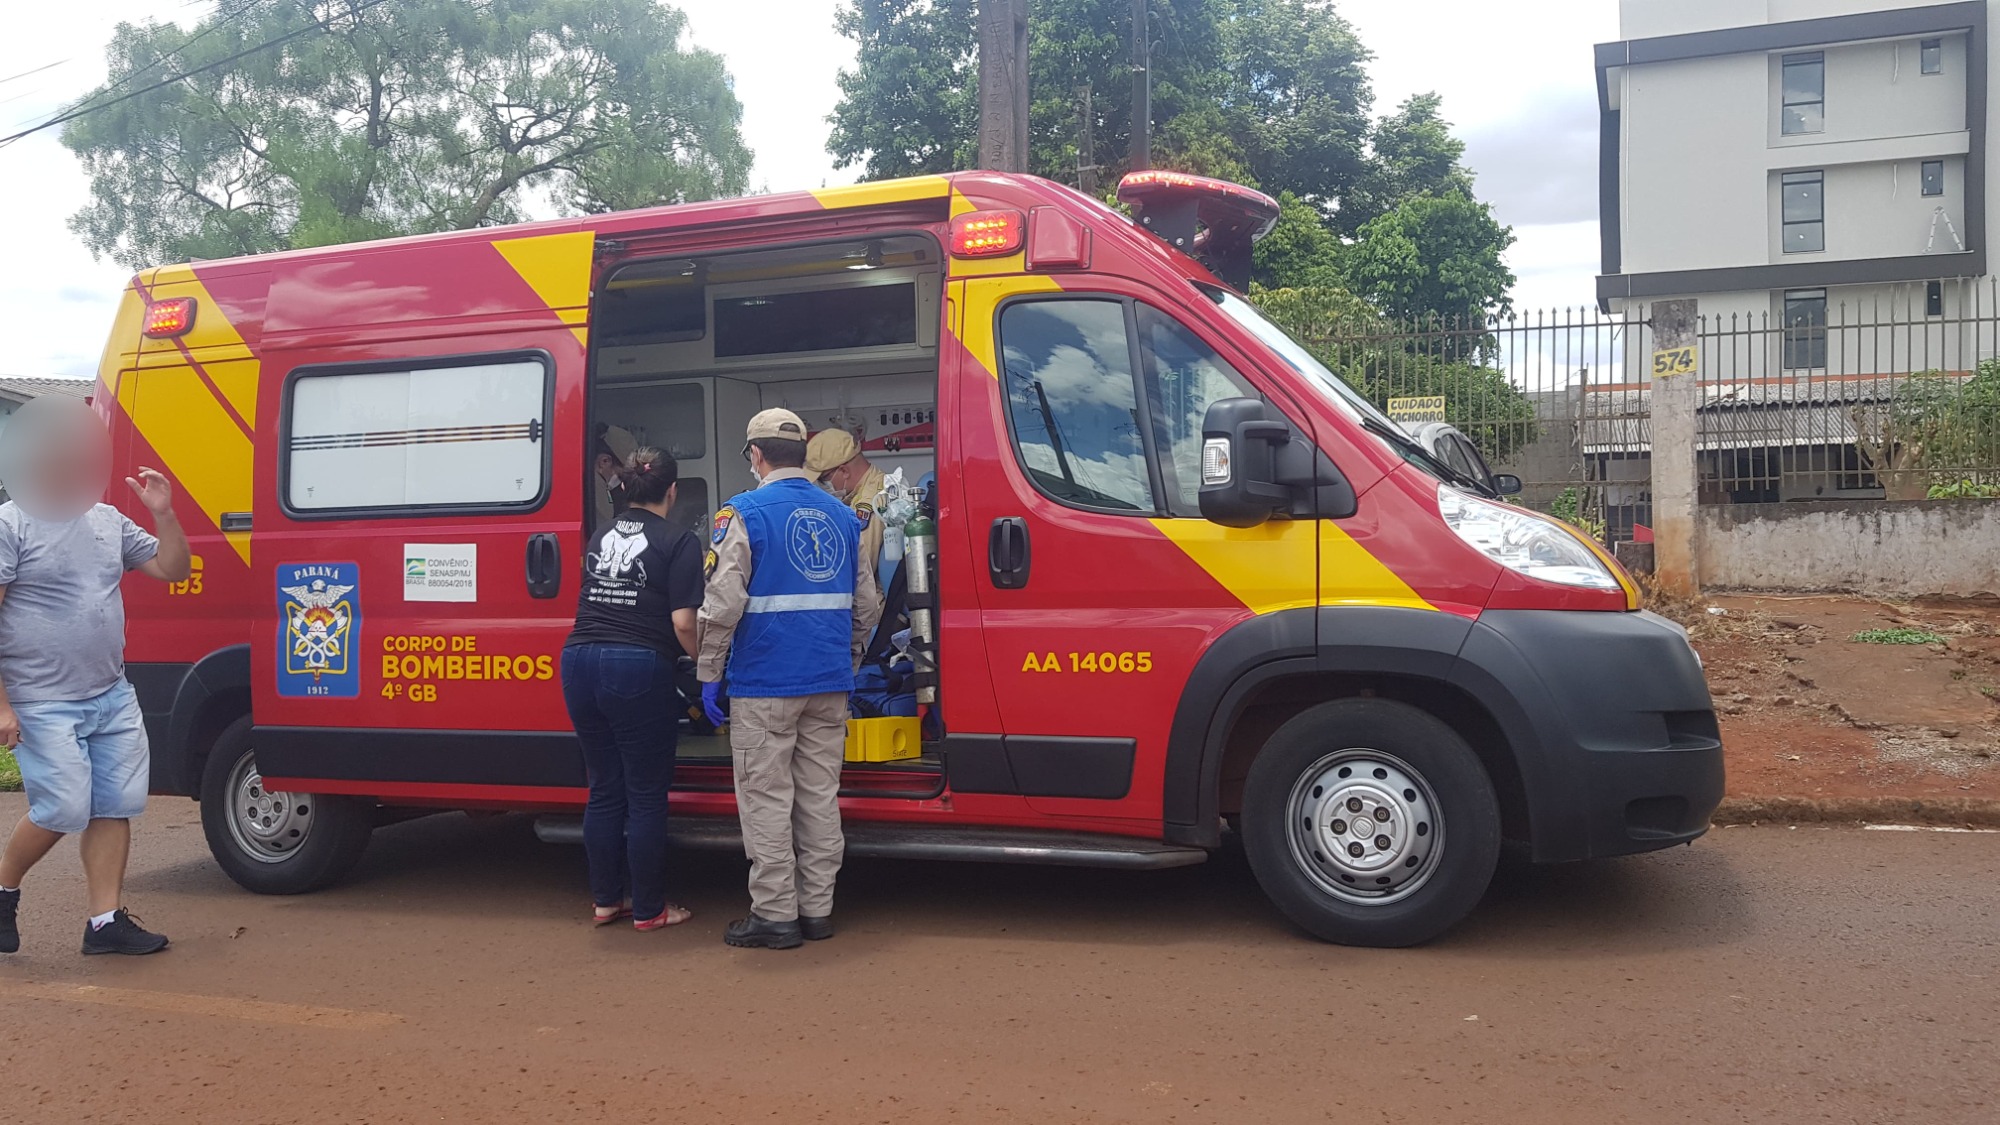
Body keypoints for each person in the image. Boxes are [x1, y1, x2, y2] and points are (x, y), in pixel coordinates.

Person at [0, 399, 192, 957]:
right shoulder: (11, 523)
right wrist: (3, 705)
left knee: (115, 804)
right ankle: (4, 889)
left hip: (110, 694)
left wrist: (165, 514)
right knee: (63, 807)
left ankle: (105, 923)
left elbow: (173, 569)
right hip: (40, 700)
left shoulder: (108, 520)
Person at [698, 409, 881, 950]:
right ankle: (818, 910)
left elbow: (721, 604)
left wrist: (709, 673)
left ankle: (776, 916)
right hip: (828, 682)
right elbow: (867, 607)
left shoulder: (743, 513)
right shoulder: (845, 515)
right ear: (803, 454)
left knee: (766, 798)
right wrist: (845, 659)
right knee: (819, 796)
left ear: (755, 456)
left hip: (765, 683)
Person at [562, 449, 704, 932]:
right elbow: (684, 622)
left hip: (579, 659)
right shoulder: (679, 540)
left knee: (603, 788)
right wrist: (708, 664)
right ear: (673, 491)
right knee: (645, 794)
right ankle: (649, 909)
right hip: (636, 664)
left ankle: (606, 901)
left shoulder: (602, 533)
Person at [805, 427, 886, 585]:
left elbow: (857, 567)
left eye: (822, 479)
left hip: (872, 605)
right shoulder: (872, 486)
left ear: (844, 471)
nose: (821, 486)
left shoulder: (869, 503)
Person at [591, 423, 640, 534]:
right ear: (604, 462)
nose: (623, 484)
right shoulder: (595, 492)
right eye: (623, 475)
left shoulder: (600, 486)